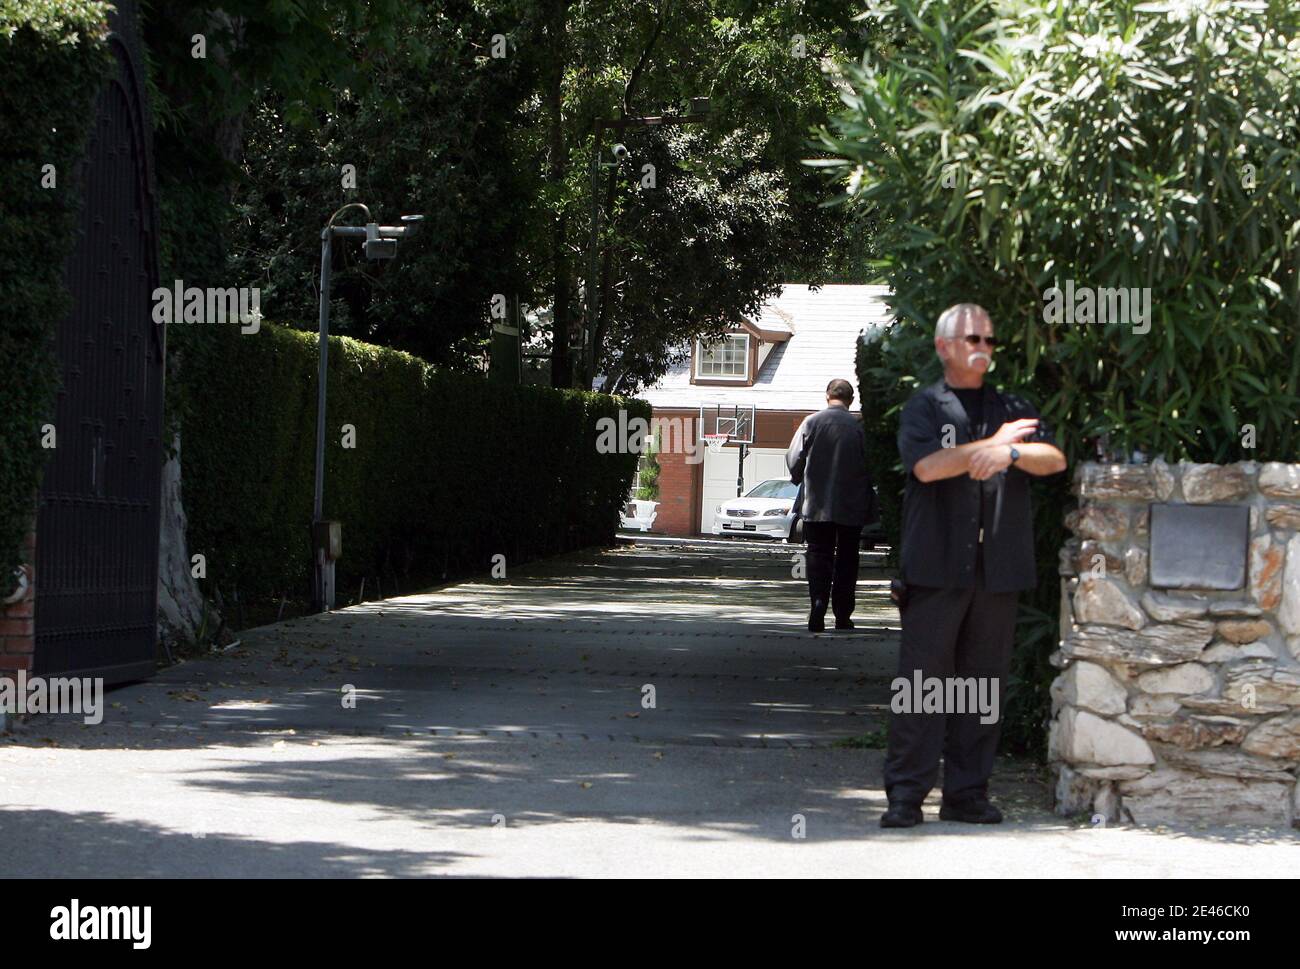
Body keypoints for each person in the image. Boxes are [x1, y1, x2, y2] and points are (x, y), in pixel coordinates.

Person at [881, 303, 1066, 829]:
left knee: (983, 688)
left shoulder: (1013, 407)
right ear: (944, 347)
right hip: (936, 568)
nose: (982, 346)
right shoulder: (925, 407)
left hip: (997, 571)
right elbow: (928, 466)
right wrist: (990, 445)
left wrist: (1010, 455)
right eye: (971, 339)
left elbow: (1052, 458)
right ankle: (905, 796)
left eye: (988, 338)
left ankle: (966, 795)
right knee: (921, 686)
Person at [786, 378, 876, 632]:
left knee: (818, 555)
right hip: (852, 503)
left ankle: (817, 604)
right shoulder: (859, 428)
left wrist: (799, 478)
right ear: (851, 400)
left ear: (827, 396)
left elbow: (794, 458)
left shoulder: (811, 422)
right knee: (848, 558)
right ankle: (843, 615)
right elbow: (872, 465)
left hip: (817, 503)